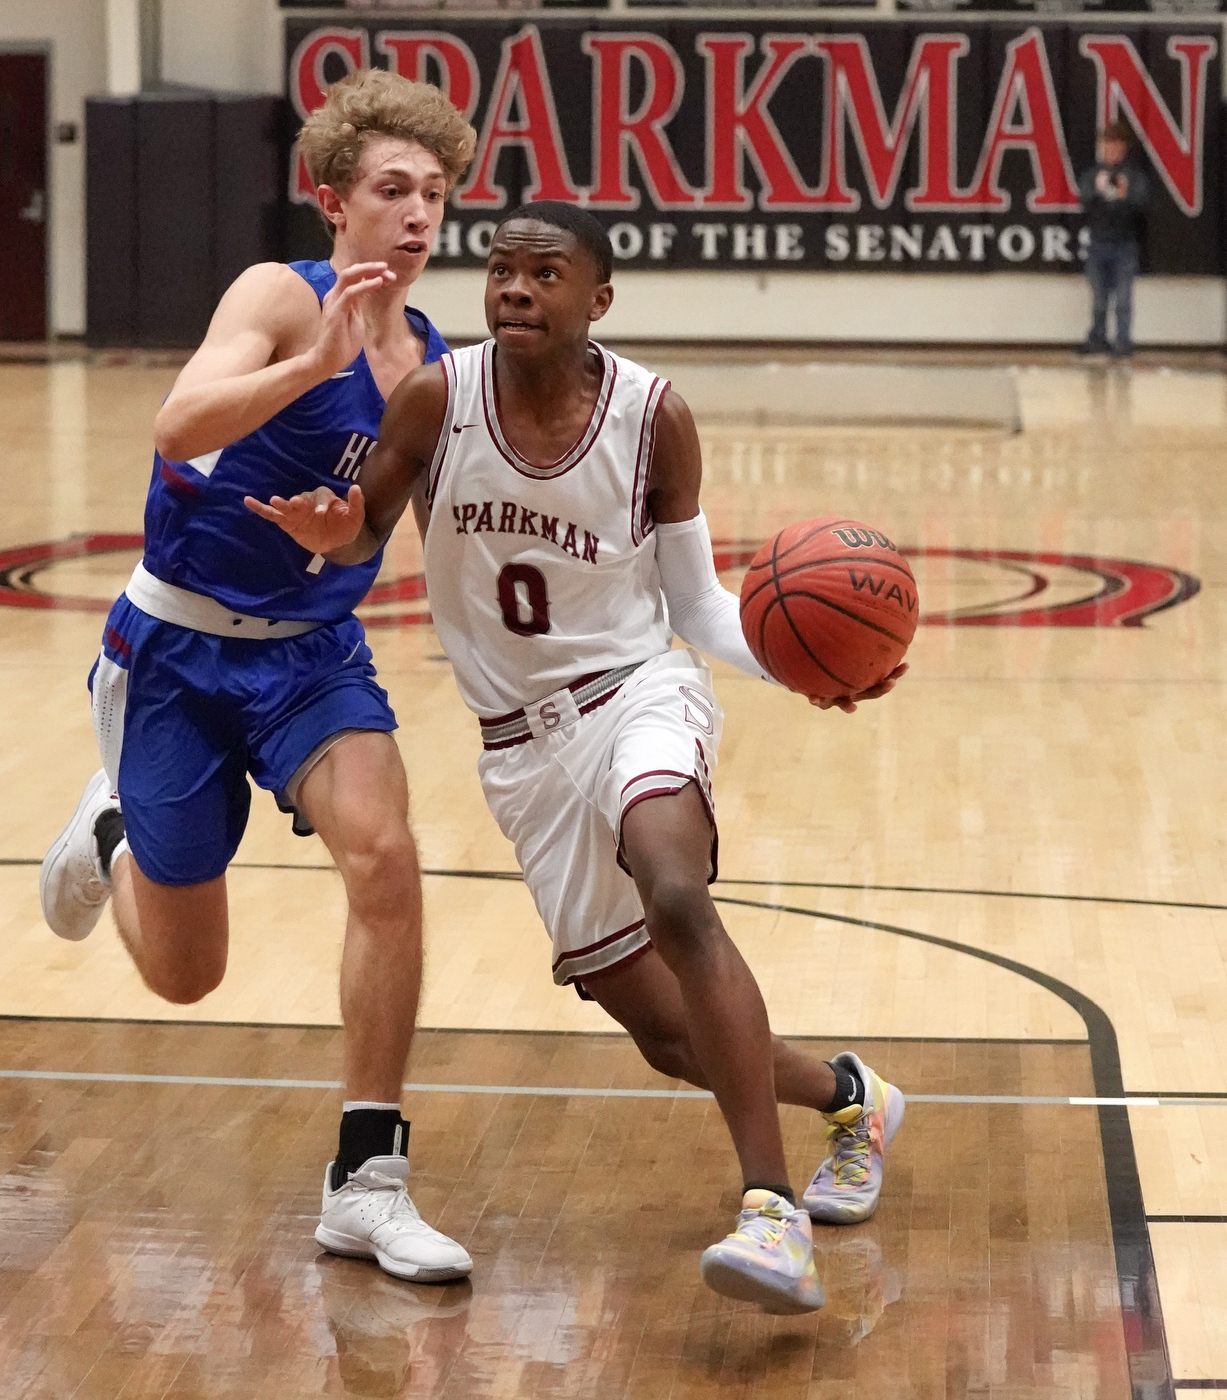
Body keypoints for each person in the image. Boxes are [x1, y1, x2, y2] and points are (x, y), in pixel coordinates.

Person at [248, 201, 908, 1315]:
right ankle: (854, 1095)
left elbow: (696, 602)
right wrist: (337, 535)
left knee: (675, 889)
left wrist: (799, 668)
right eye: (501, 269)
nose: (513, 288)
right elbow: (366, 524)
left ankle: (769, 1211)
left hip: (635, 694)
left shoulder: (655, 415)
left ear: (597, 298)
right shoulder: (434, 398)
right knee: (664, 1033)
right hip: (521, 751)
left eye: (544, 272)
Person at [38, 70, 477, 1283]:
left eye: (434, 193)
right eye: (393, 188)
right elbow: (179, 424)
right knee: (189, 977)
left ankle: (368, 1177)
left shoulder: (432, 364)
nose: (417, 213)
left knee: (386, 852)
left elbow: (389, 524)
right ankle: (117, 828)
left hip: (312, 657)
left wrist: (350, 535)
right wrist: (307, 363)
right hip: (175, 649)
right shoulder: (282, 296)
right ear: (333, 200)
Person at [1078, 120, 1149, 358]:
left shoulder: (1134, 176)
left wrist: (1124, 195)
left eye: (1116, 148)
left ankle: (1123, 343)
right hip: (1098, 243)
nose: (1112, 152)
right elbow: (1084, 201)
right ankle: (1097, 339)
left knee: (1123, 299)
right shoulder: (1092, 174)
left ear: (1124, 148)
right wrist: (1098, 191)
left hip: (1125, 245)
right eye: (1108, 147)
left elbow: (1142, 205)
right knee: (1099, 299)